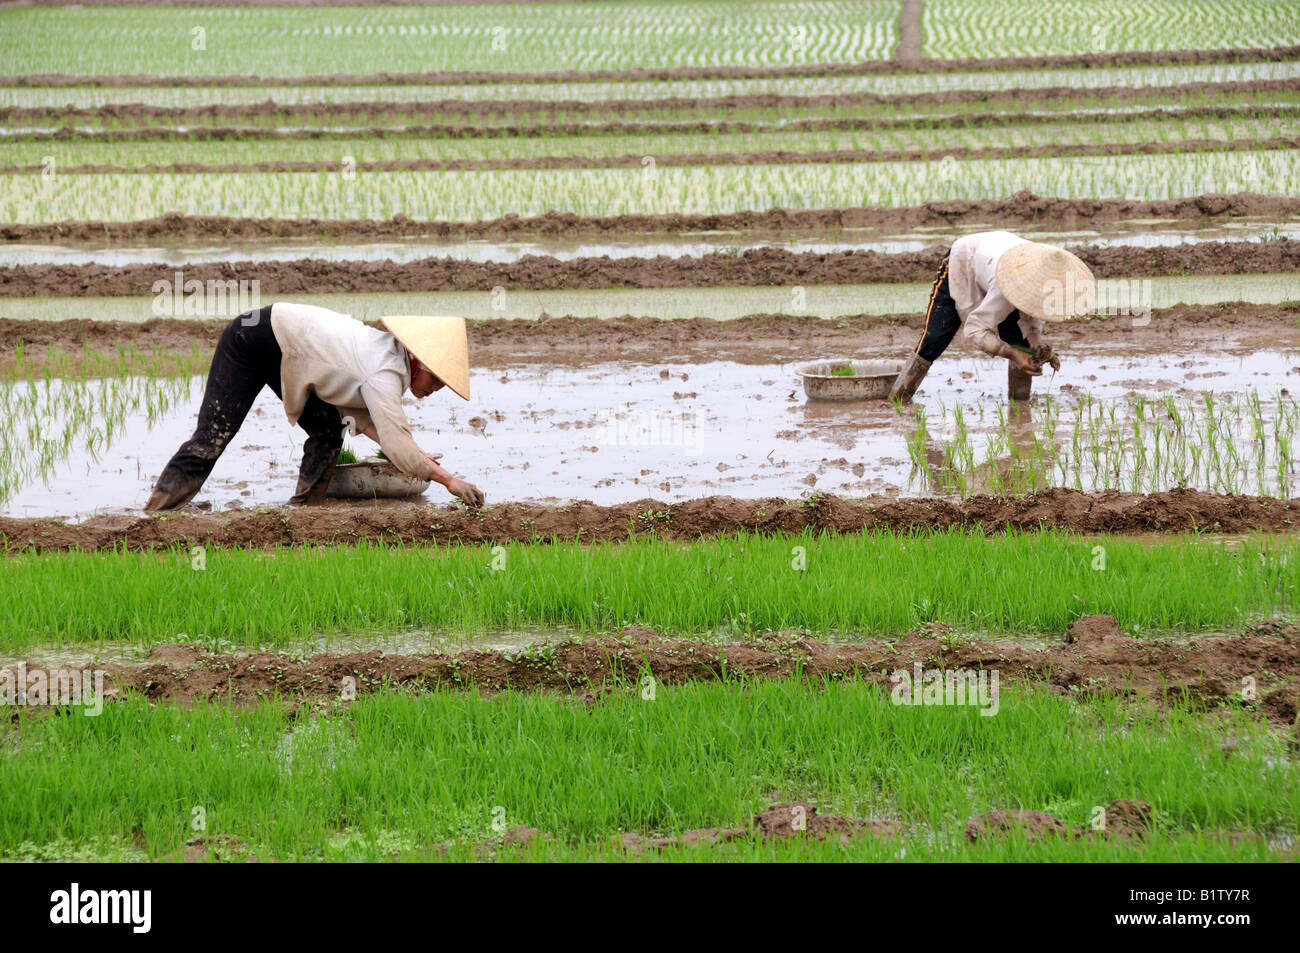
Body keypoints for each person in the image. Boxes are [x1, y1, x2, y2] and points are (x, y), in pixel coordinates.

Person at [145, 302, 484, 510]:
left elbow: (373, 428)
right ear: (419, 362)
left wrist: (423, 462)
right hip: (251, 339)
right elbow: (397, 444)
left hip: (286, 348)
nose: (437, 389)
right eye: (438, 380)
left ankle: (307, 513)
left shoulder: (385, 361)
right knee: (213, 437)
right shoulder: (383, 372)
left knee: (327, 430)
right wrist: (448, 481)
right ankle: (156, 512)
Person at [890, 231, 1096, 402]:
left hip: (995, 259)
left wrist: (1037, 346)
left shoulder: (1047, 279)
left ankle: (1019, 406)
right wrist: (1012, 354)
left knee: (1022, 343)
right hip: (963, 262)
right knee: (934, 339)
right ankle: (898, 398)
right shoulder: (1004, 287)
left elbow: (1031, 316)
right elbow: (975, 328)